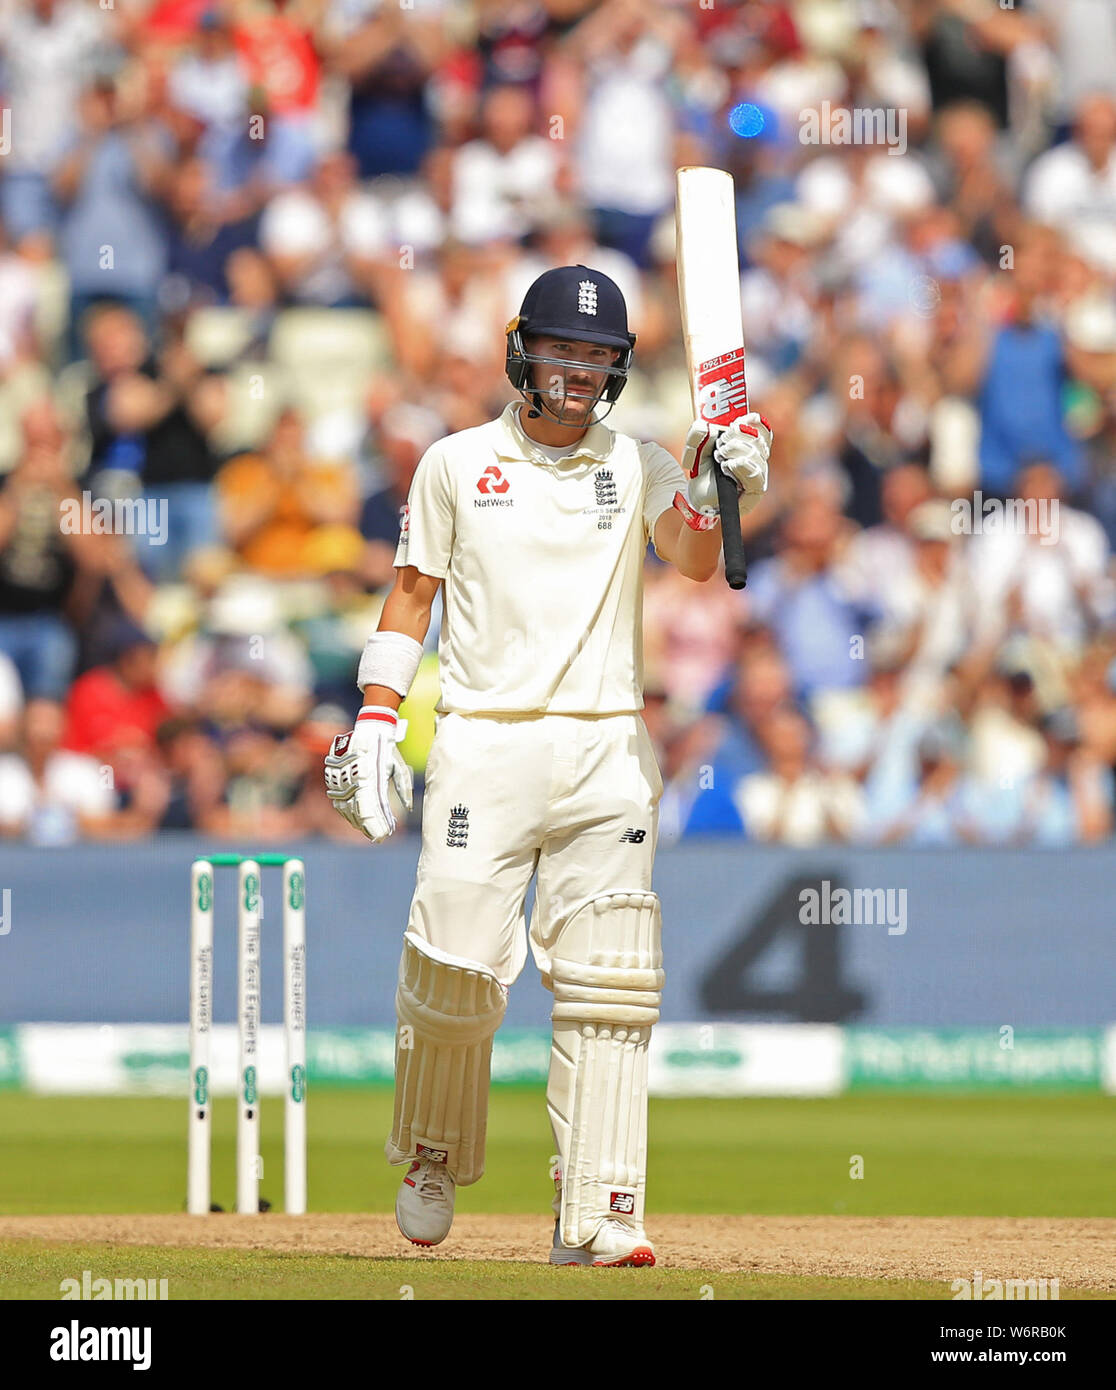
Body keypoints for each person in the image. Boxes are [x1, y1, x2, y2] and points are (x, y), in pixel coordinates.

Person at [324, 265, 772, 1266]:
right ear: (525, 348)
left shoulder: (641, 461)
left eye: (600, 355)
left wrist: (729, 484)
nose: (580, 370)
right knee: (454, 969)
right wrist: (376, 715)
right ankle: (432, 1151)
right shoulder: (454, 463)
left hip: (608, 743)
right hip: (485, 741)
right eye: (565, 349)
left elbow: (696, 555)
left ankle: (600, 1209)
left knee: (611, 977)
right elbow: (410, 593)